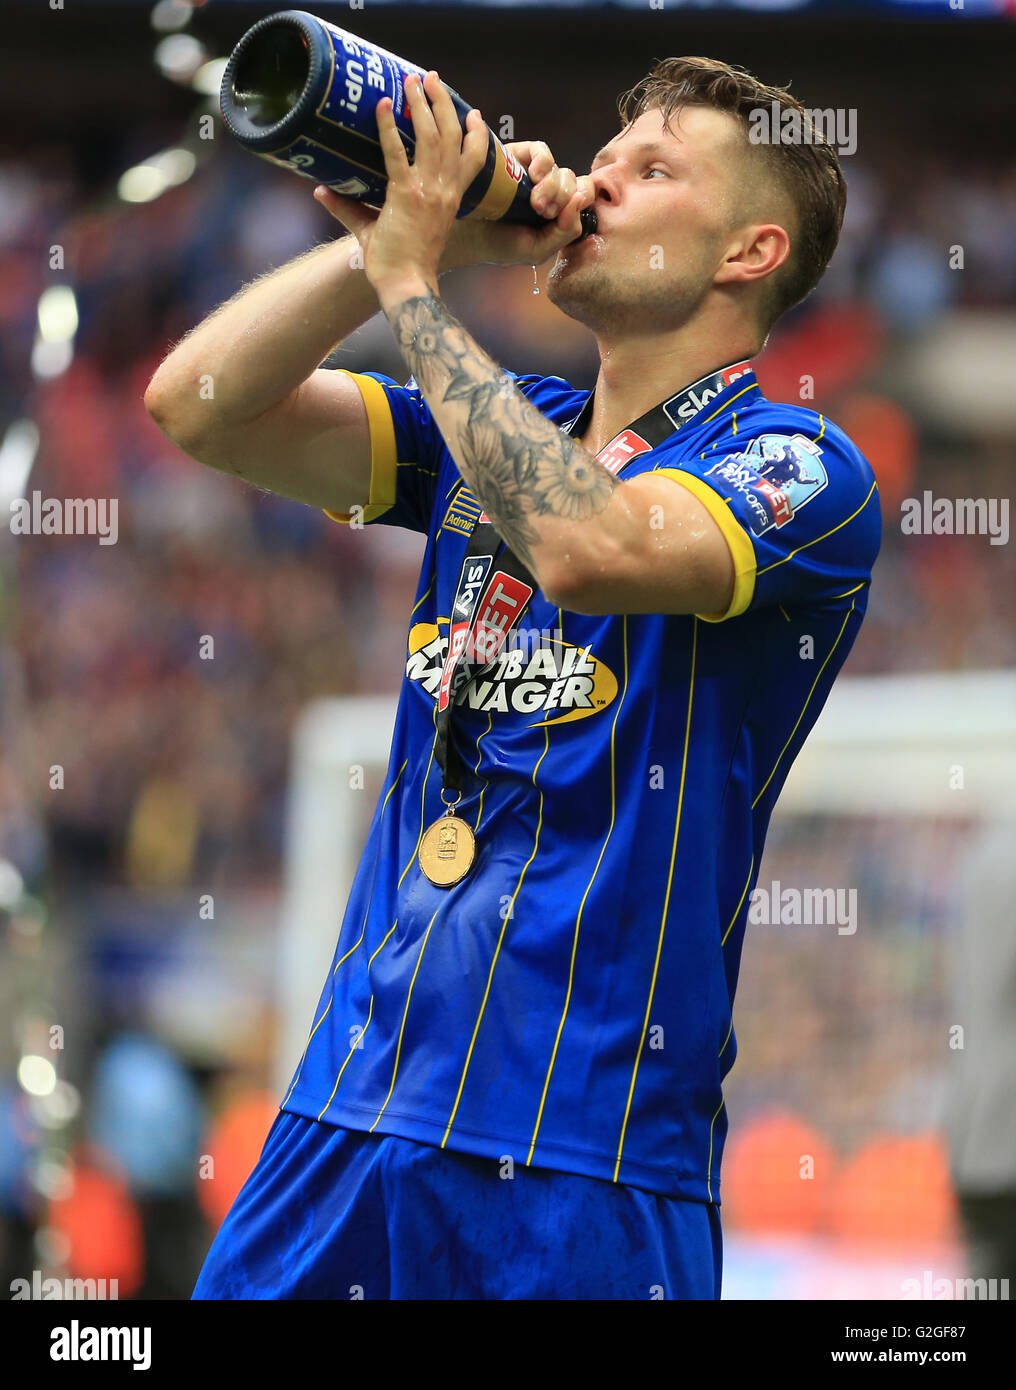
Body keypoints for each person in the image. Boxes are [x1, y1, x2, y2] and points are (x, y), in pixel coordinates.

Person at [145, 57, 880, 1300]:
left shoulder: (802, 463)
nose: (597, 178)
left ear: (746, 252)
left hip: (580, 1163)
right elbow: (198, 405)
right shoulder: (482, 430)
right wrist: (383, 245)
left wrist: (414, 288)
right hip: (346, 1117)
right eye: (607, 150)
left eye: (653, 171)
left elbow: (590, 546)